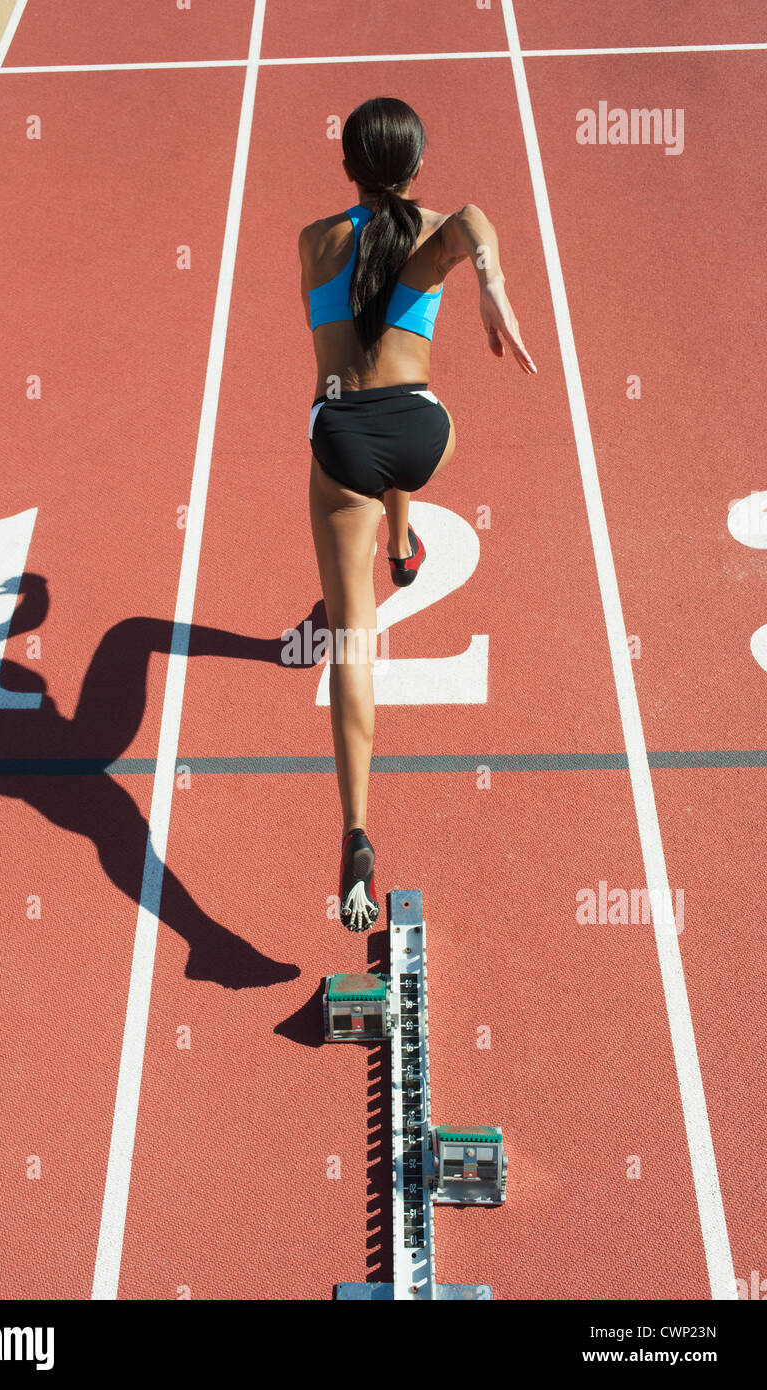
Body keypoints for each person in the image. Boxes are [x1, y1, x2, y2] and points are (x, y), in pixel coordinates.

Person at [298, 95, 537, 932]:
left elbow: (348, 310)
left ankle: (356, 827)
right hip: (426, 433)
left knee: (352, 635)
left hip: (346, 442)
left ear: (347, 168)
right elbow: (472, 218)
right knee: (400, 435)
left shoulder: (314, 241)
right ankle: (404, 537)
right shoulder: (437, 233)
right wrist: (491, 289)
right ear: (417, 165)